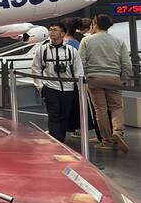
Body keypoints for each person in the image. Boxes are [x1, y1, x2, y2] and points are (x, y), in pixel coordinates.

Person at [80, 14, 133, 151]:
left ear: (95, 24)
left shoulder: (86, 41)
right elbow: (126, 63)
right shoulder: (118, 41)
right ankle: (117, 131)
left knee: (101, 109)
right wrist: (124, 78)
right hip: (114, 78)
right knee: (116, 106)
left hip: (94, 78)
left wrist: (84, 77)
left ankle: (107, 140)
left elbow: (81, 61)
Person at [30, 23, 82, 143]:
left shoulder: (71, 51)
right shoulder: (42, 50)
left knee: (64, 115)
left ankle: (61, 138)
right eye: (50, 29)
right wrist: (40, 86)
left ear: (63, 34)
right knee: (53, 114)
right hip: (50, 87)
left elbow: (79, 70)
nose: (52, 32)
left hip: (68, 88)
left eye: (55, 30)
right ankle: (55, 138)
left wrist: (79, 89)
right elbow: (35, 68)